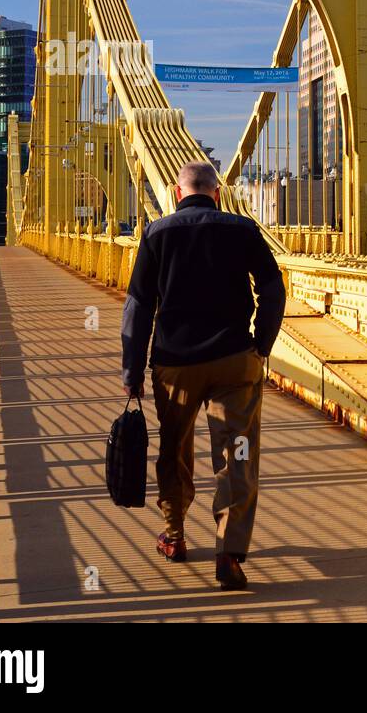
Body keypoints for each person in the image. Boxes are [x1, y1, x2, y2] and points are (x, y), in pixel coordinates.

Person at [121, 161, 286, 591]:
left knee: (174, 449)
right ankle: (229, 551)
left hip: (174, 363)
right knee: (238, 453)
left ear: (177, 194)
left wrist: (132, 369)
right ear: (217, 193)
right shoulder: (243, 229)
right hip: (234, 358)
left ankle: (174, 537)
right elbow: (273, 288)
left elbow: (138, 306)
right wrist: (261, 345)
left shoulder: (156, 234)